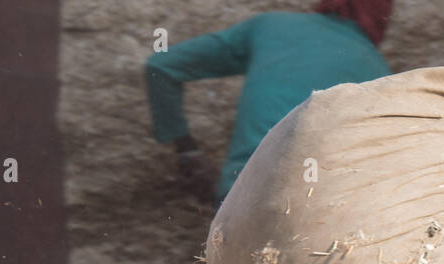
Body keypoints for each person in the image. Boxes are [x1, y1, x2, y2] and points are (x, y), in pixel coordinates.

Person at [143, 1, 393, 205]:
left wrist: (188, 152)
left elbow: (160, 67)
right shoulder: (381, 73)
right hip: (319, 211)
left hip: (241, 195)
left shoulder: (271, 25)